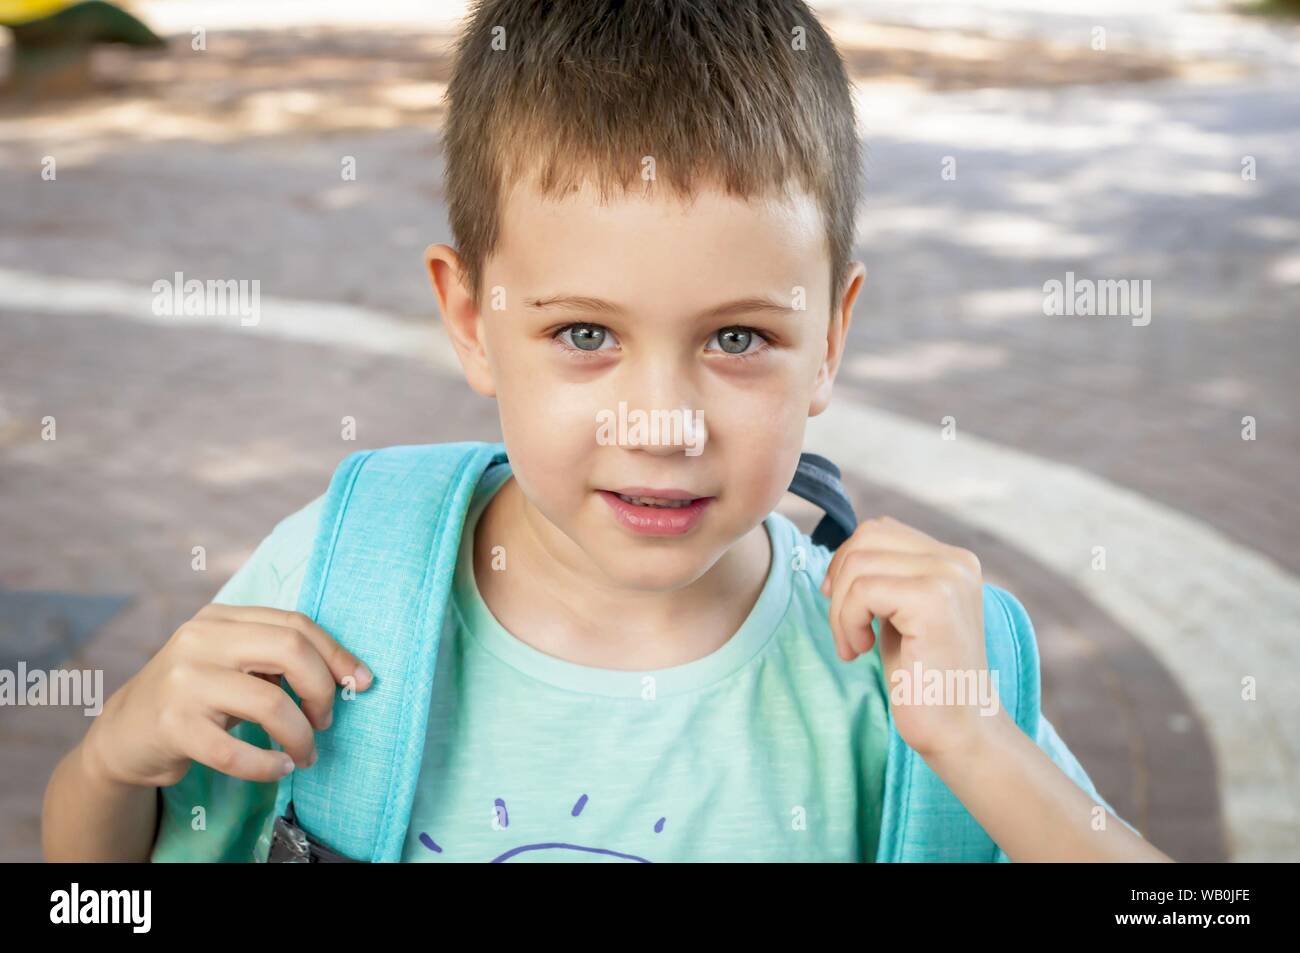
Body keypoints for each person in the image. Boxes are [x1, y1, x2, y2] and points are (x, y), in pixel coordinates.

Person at [41, 0, 1171, 863]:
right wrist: (108, 760)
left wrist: (980, 745)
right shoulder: (335, 582)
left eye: (737, 339)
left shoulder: (902, 681)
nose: (663, 424)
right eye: (585, 332)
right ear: (468, 317)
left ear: (830, 337)